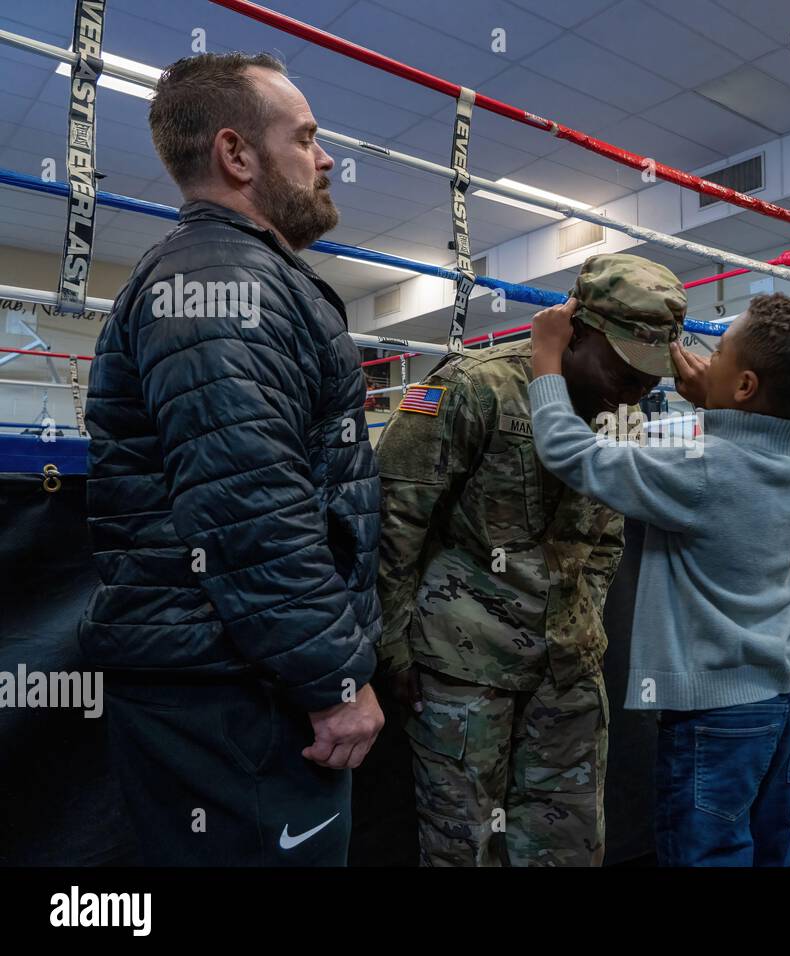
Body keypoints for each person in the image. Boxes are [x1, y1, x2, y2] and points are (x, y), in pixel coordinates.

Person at [79, 53, 384, 866]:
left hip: (235, 681)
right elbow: (249, 510)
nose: (325, 159)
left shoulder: (243, 275)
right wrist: (334, 680)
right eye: (308, 138)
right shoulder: (222, 282)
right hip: (235, 696)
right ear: (236, 154)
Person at [376, 253, 685, 866]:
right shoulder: (467, 385)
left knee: (567, 846)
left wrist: (583, 615)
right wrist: (394, 643)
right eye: (626, 369)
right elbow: (396, 516)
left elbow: (605, 539)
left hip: (568, 669)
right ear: (577, 330)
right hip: (463, 664)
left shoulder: (624, 414)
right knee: (461, 848)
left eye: (652, 379)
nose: (638, 390)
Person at [527, 292, 790, 867]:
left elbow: (569, 452)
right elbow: (754, 435)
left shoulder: (700, 470)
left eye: (718, 351)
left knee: (706, 854)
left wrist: (547, 360)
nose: (703, 358)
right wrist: (715, 400)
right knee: (771, 847)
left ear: (746, 386)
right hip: (782, 696)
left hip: (716, 713)